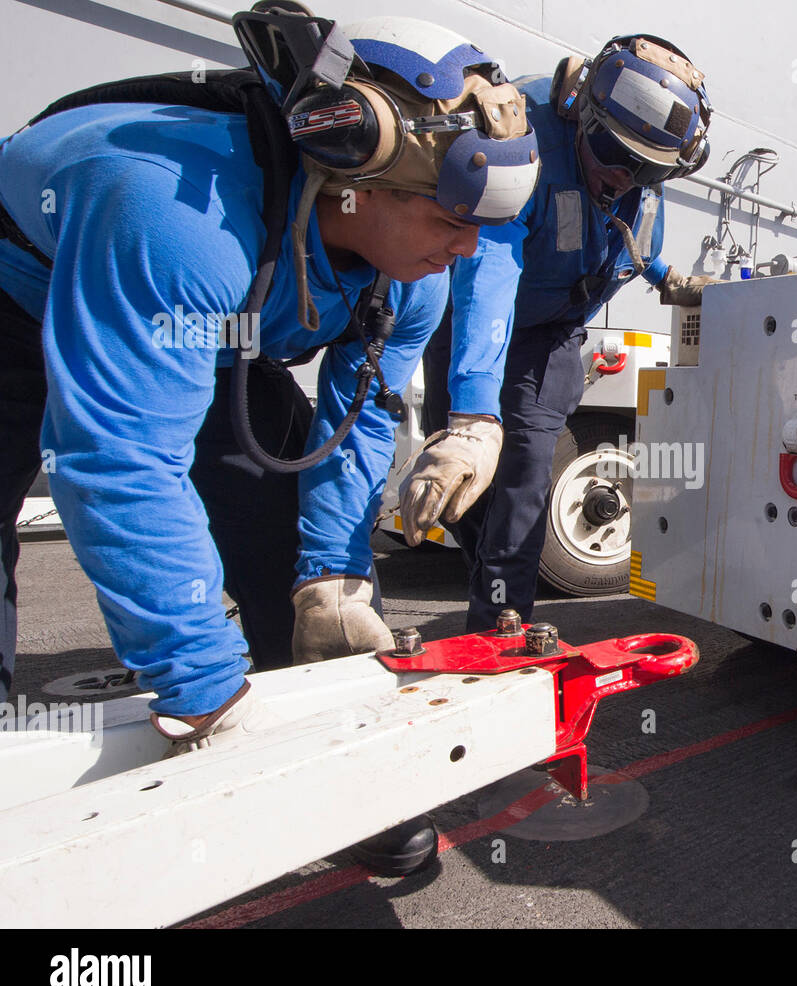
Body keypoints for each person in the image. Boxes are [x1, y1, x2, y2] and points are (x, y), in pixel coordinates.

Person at [0, 8, 539, 752]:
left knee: (285, 549)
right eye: (451, 214)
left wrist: (332, 574)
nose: (470, 244)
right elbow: (117, 458)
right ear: (360, 174)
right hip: (24, 291)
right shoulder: (176, 213)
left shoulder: (417, 279)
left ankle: (328, 754)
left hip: (214, 331)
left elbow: (359, 421)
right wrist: (198, 682)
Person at [405, 34, 713, 633]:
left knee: (524, 468)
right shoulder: (524, 145)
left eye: (648, 168)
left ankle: (501, 620)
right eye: (612, 152)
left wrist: (664, 276)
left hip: (551, 339)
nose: (625, 176)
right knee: (468, 471)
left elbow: (624, 237)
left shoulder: (636, 179)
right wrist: (471, 417)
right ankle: (493, 581)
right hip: (479, 320)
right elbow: (488, 270)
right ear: (581, 115)